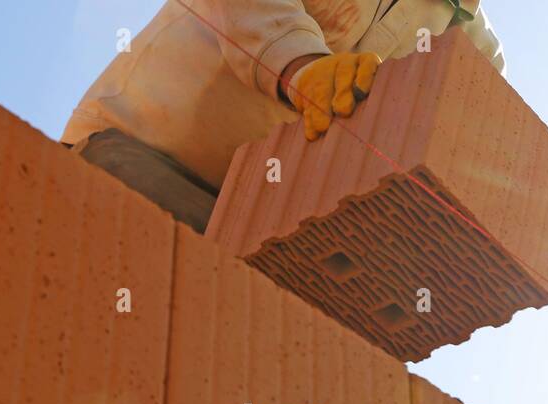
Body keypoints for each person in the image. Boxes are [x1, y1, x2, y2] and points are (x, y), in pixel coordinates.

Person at [62, 0, 506, 232]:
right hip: (142, 148)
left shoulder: (472, 45)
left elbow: (483, 134)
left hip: (261, 225)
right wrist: (302, 68)